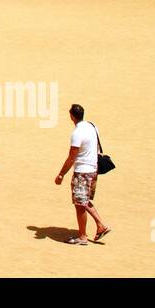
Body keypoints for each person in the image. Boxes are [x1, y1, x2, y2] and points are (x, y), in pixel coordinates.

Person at [55, 103, 111, 245]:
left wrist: (61, 174)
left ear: (72, 116)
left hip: (82, 172)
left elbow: (72, 157)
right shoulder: (92, 125)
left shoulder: (77, 133)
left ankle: (82, 236)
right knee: (83, 200)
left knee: (79, 204)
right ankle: (101, 226)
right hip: (93, 169)